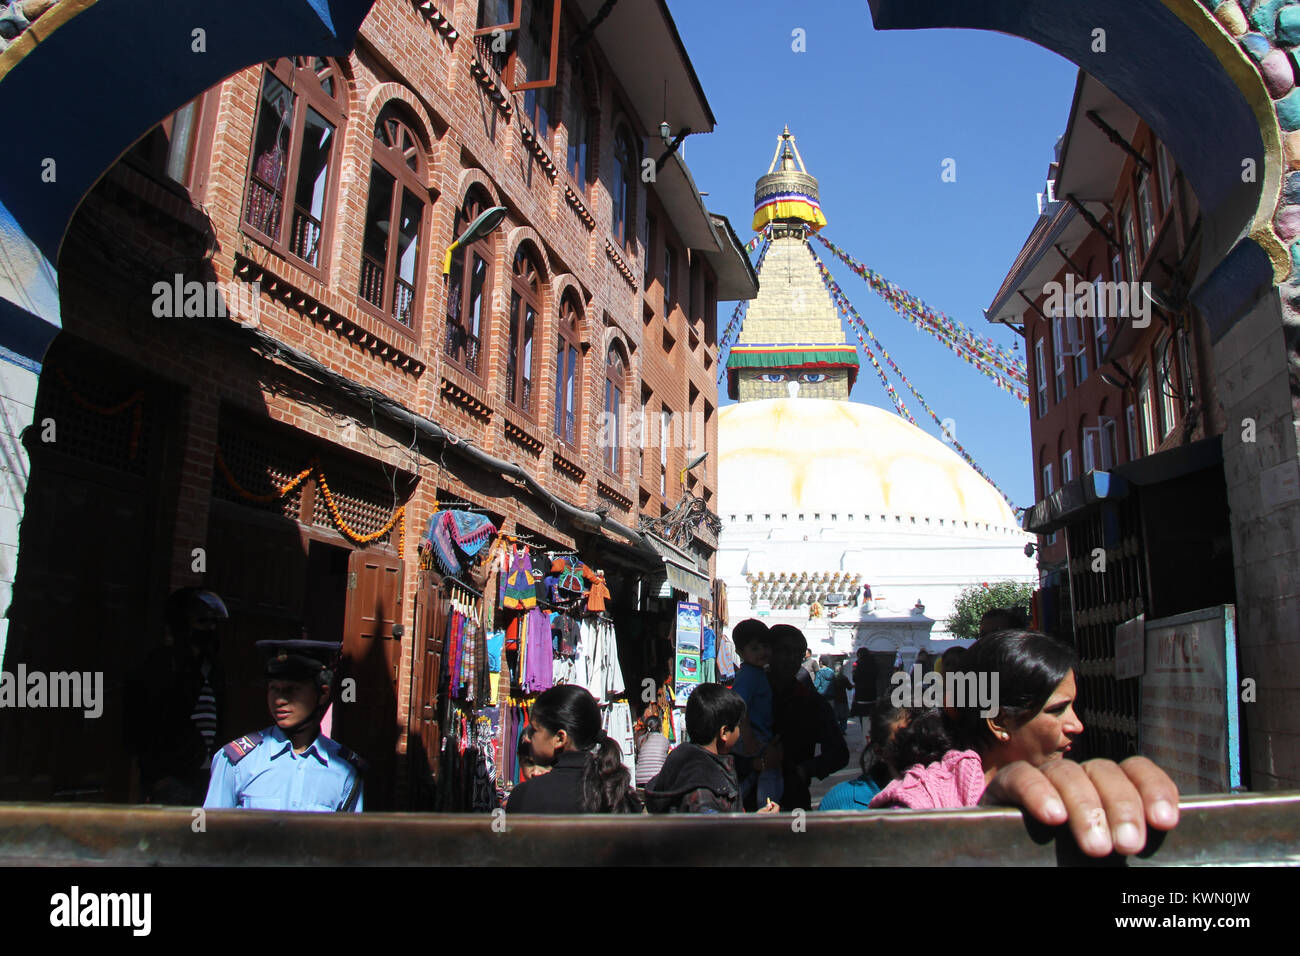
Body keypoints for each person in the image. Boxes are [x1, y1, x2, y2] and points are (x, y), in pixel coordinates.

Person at [871, 629, 1181, 858]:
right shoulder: (915, 811)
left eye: (1073, 708)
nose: (1077, 725)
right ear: (1000, 722)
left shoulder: (1077, 795)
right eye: (1057, 710)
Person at [204, 638, 365, 812]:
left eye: (292, 689)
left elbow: (349, 838)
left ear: (323, 693)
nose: (280, 700)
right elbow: (211, 833)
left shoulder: (344, 770)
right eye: (274, 689)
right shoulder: (237, 761)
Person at [125, 587, 229, 805]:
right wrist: (157, 776)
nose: (209, 629)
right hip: (172, 779)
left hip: (206, 777)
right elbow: (144, 726)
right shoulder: (162, 665)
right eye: (202, 622)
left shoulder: (214, 669)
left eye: (213, 623)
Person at [645, 683, 782, 814]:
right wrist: (756, 825)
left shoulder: (687, 761)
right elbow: (715, 834)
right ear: (724, 733)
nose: (742, 732)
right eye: (739, 725)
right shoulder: (702, 791)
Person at [506, 684, 640, 813]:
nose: (528, 738)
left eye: (534, 730)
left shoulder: (525, 796)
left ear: (559, 738)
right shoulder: (618, 793)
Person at [765, 625, 849, 811]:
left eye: (798, 653)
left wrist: (805, 770)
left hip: (794, 798)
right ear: (769, 651)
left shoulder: (811, 702)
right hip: (749, 798)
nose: (792, 659)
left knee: (798, 838)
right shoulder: (748, 694)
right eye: (785, 650)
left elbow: (839, 753)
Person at [817, 699, 910, 811]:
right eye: (903, 743)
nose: (916, 753)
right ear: (879, 750)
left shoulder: (935, 799)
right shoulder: (841, 803)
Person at [730, 618, 783, 808]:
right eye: (754, 648)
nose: (762, 652)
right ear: (740, 652)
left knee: (756, 778)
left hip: (759, 736)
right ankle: (766, 810)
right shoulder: (749, 676)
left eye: (765, 646)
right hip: (752, 737)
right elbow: (740, 707)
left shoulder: (758, 672)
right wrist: (749, 738)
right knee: (769, 773)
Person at [635, 714, 670, 789]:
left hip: (640, 781)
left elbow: (638, 758)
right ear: (660, 728)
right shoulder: (664, 740)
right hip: (657, 782)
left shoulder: (640, 740)